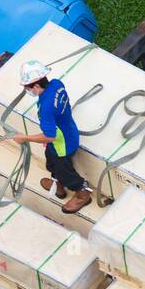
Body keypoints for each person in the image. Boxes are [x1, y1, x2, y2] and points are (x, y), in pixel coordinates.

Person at [13, 60, 92, 213]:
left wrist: (24, 138)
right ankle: (58, 185)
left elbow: (50, 137)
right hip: (68, 131)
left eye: (27, 88)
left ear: (36, 86)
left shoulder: (46, 107)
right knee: (51, 161)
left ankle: (83, 193)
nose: (26, 91)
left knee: (65, 171)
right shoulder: (56, 84)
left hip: (62, 145)